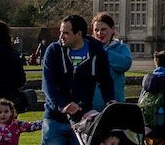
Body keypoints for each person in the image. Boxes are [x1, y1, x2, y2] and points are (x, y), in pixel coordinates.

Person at [41, 15, 114, 145]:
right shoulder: (53, 51)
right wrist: (62, 105)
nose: (61, 36)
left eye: (66, 33)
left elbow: (106, 80)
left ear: (79, 34)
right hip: (55, 119)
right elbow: (48, 84)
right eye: (61, 32)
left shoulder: (97, 51)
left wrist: (110, 99)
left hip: (83, 118)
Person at [90, 14, 132, 109]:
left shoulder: (121, 48)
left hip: (114, 106)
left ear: (112, 29)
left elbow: (125, 64)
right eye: (96, 30)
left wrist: (103, 52)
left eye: (103, 29)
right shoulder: (88, 49)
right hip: (91, 108)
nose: (99, 33)